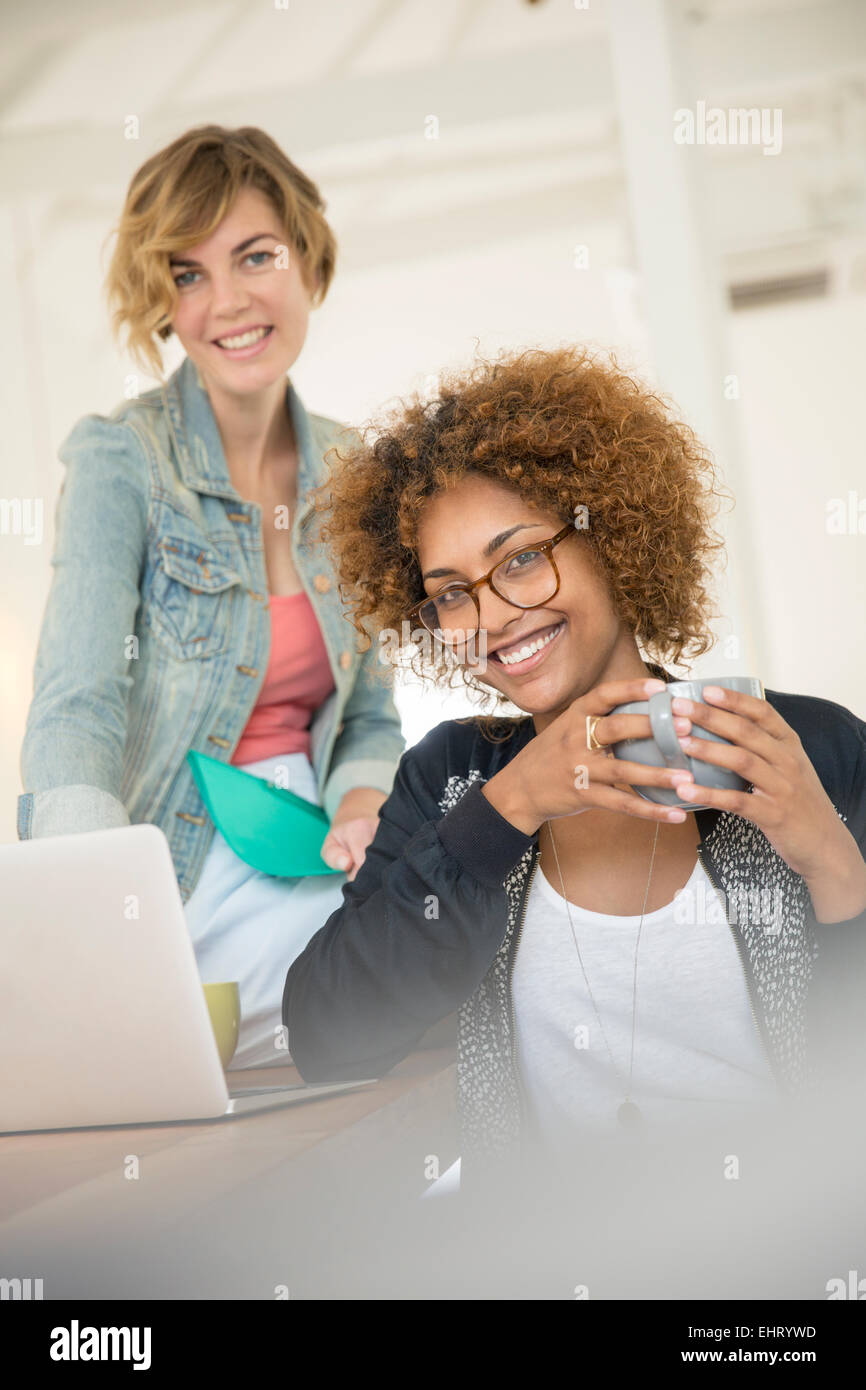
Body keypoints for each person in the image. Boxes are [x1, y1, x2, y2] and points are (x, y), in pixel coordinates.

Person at [283, 344, 866, 1185]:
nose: (491, 615)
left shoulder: (809, 748)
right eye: (452, 591)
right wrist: (504, 808)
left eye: (521, 557)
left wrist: (833, 862)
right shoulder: (451, 778)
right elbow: (328, 1036)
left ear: (613, 538)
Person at [18, 125, 404, 1068]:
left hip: (317, 866)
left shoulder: (356, 472)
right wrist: (106, 931)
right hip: (175, 884)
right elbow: (77, 708)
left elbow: (370, 716)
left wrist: (363, 809)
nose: (227, 301)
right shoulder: (124, 461)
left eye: (256, 256)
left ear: (308, 261)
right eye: (187, 274)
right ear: (162, 302)